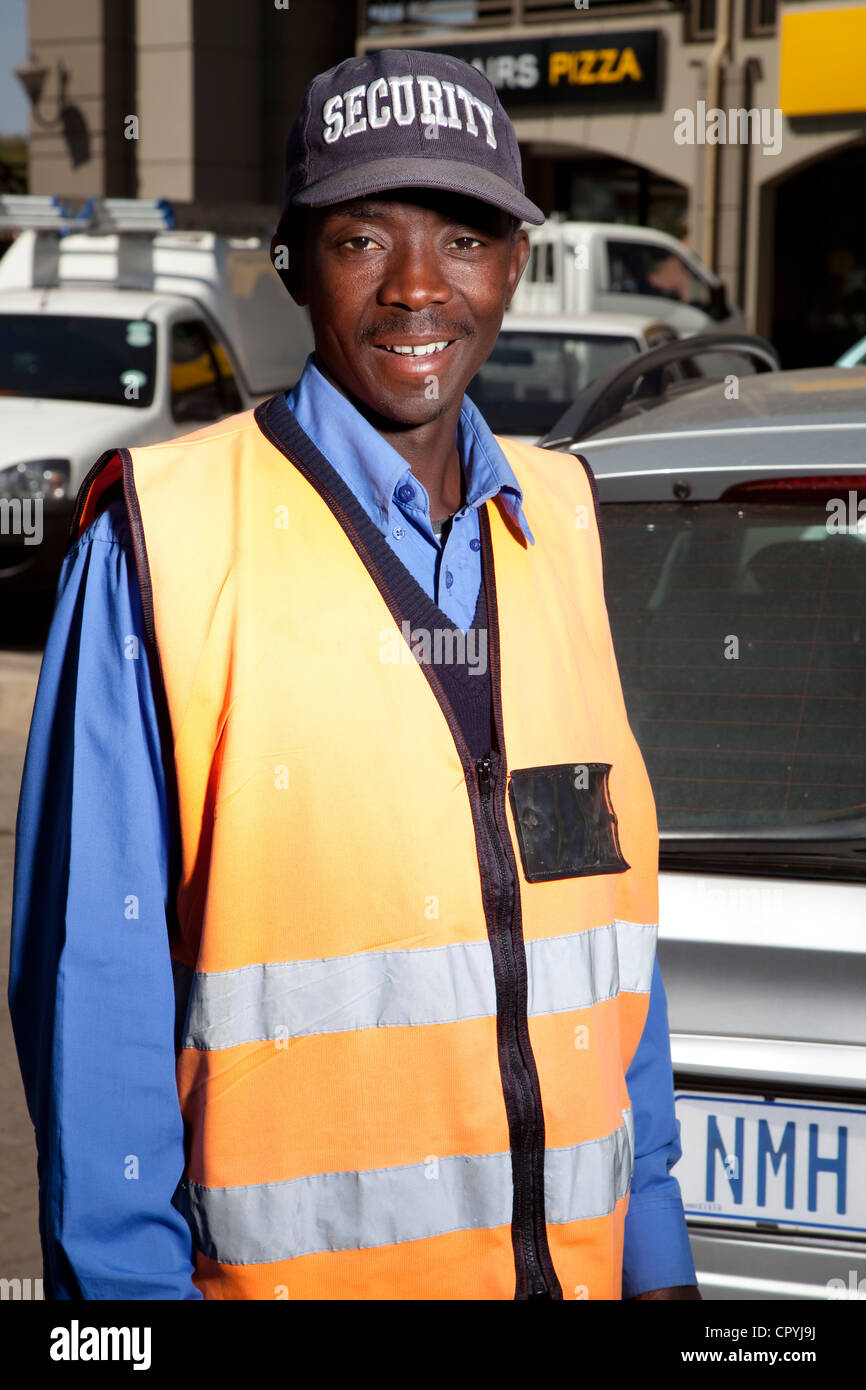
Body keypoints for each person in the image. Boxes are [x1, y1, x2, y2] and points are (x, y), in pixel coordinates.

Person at [9, 48, 699, 1301]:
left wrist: (657, 1264)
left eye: (464, 235)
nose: (419, 287)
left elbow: (607, 946)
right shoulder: (162, 537)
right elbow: (92, 1001)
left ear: (516, 263)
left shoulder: (564, 520)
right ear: (296, 264)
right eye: (361, 238)